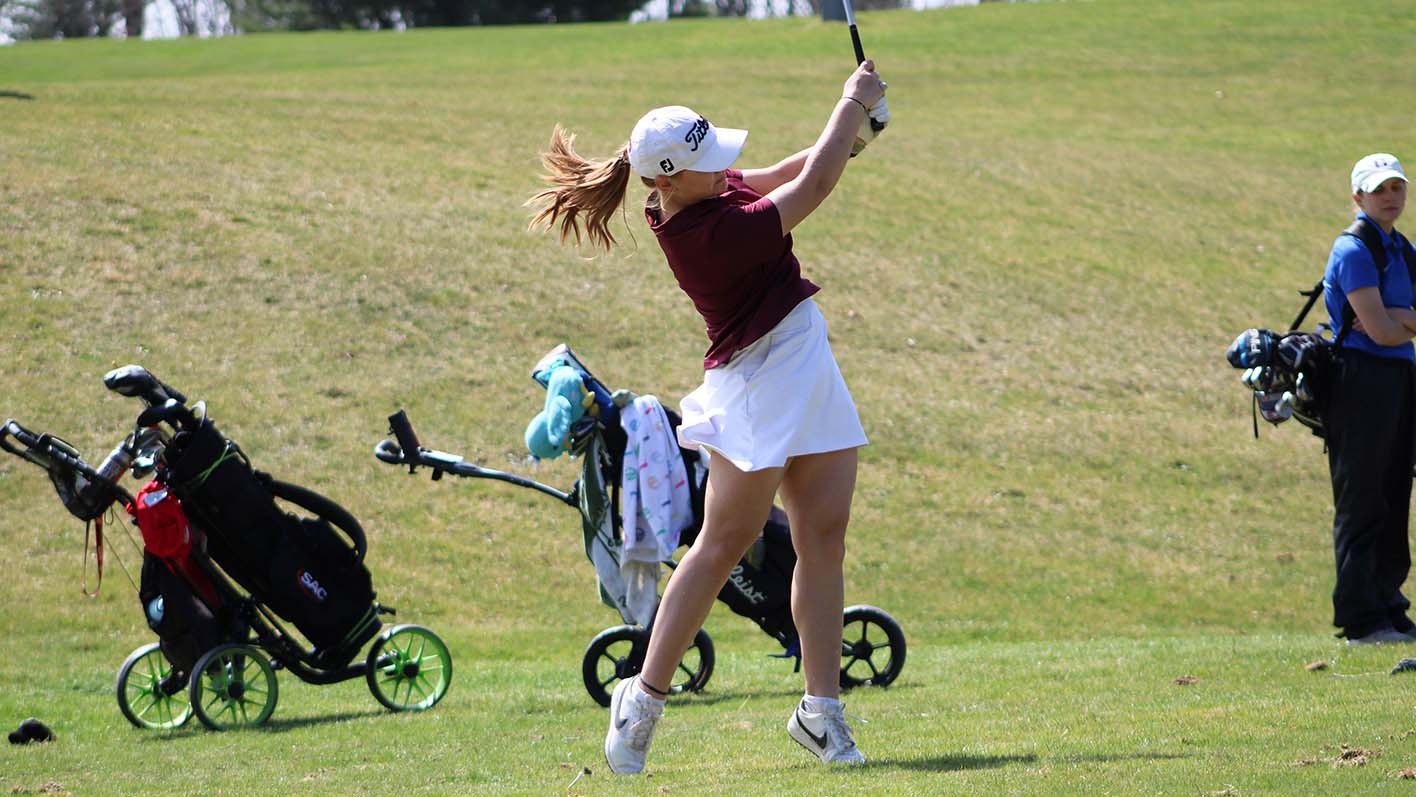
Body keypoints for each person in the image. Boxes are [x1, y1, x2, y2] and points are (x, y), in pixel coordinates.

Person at [526, 62, 890, 773]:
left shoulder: (703, 189)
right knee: (724, 541)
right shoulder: (709, 237)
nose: (725, 166)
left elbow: (789, 167)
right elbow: (810, 186)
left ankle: (822, 712)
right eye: (709, 160)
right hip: (757, 382)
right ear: (668, 180)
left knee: (824, 533)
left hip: (803, 358)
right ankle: (643, 698)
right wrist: (852, 102)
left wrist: (858, 132)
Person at [1323, 152, 1416, 645]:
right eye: (1379, 190)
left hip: (1401, 380)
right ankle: (1361, 618)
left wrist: (1395, 315)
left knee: (1395, 491)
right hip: (1361, 380)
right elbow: (1377, 332)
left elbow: (1387, 323)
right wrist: (1402, 318)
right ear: (1357, 197)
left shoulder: (1404, 249)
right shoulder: (1354, 249)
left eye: (1397, 187)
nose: (1391, 197)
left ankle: (1389, 607)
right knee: (1363, 498)